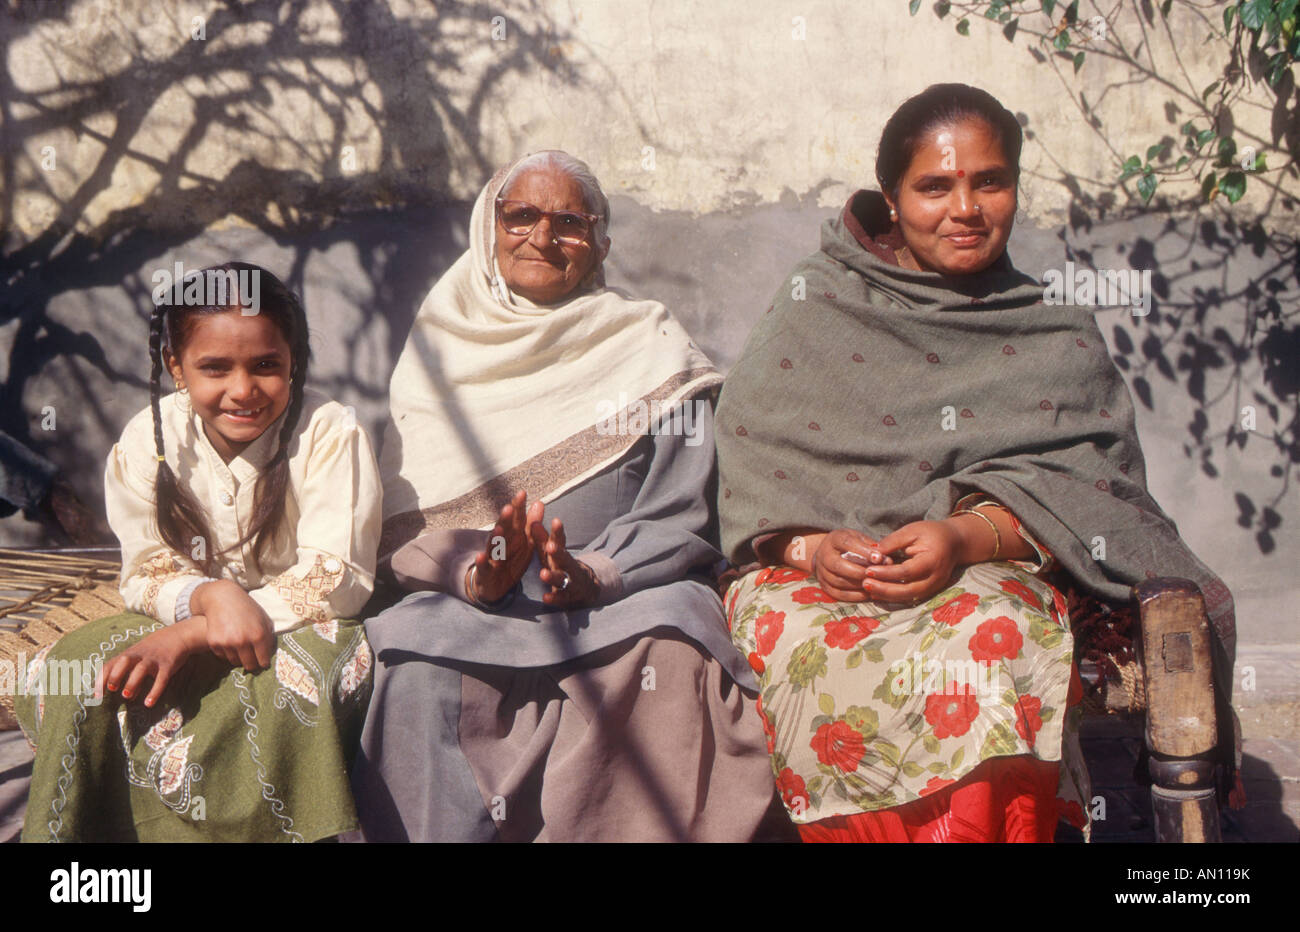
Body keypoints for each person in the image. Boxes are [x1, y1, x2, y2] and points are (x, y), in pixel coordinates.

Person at [715, 84, 1240, 843]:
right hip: (813, 579)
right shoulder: (815, 304)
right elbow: (754, 469)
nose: (966, 208)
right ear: (891, 198)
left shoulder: (1052, 331)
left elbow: (1097, 496)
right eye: (934, 185)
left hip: (986, 571)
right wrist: (807, 546)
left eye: (989, 181)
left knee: (997, 641)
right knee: (811, 658)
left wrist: (965, 537)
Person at [351, 150, 774, 842]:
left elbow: (681, 509)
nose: (542, 238)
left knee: (671, 655)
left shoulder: (650, 343)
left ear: (600, 243)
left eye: (569, 222)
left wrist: (596, 572)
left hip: (629, 591)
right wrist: (481, 569)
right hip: (467, 596)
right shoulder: (439, 346)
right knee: (411, 663)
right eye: (520, 217)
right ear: (489, 228)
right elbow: (402, 522)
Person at [16, 262, 382, 842]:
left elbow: (336, 577)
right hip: (181, 611)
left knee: (289, 685)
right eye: (215, 367)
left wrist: (195, 632)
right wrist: (207, 595)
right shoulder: (149, 437)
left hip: (304, 624)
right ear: (175, 368)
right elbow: (144, 567)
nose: (243, 390)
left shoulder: (330, 432)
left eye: (267, 365)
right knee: (76, 675)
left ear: (295, 362)